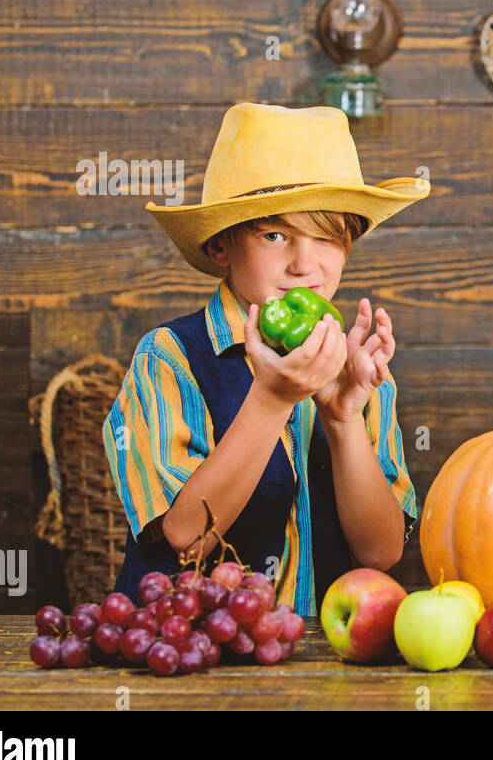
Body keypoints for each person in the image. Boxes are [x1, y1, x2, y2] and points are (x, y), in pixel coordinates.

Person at [103, 102, 430, 615]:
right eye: (274, 235)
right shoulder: (169, 357)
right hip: (201, 657)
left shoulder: (358, 372)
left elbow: (381, 553)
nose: (305, 263)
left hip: (323, 663)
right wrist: (273, 399)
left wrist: (343, 419)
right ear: (222, 246)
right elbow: (186, 540)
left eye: (326, 236)